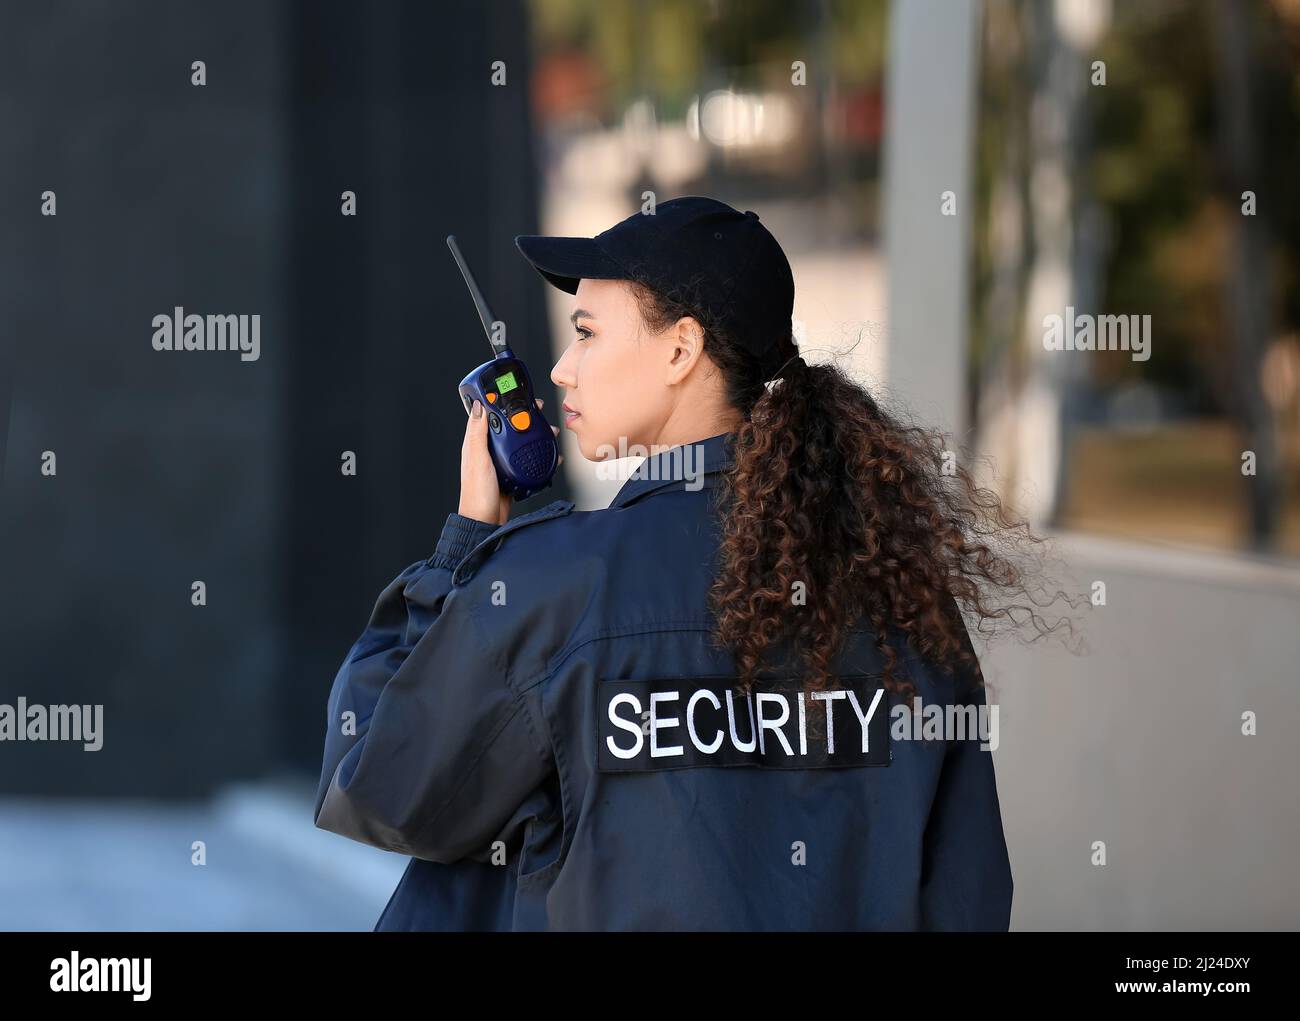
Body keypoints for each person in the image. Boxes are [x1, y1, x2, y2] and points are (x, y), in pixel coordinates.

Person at [313, 195, 1036, 931]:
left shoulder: (554, 587)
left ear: (681, 350)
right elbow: (967, 893)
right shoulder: (904, 597)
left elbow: (375, 786)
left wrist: (463, 547)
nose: (561, 370)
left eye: (588, 334)